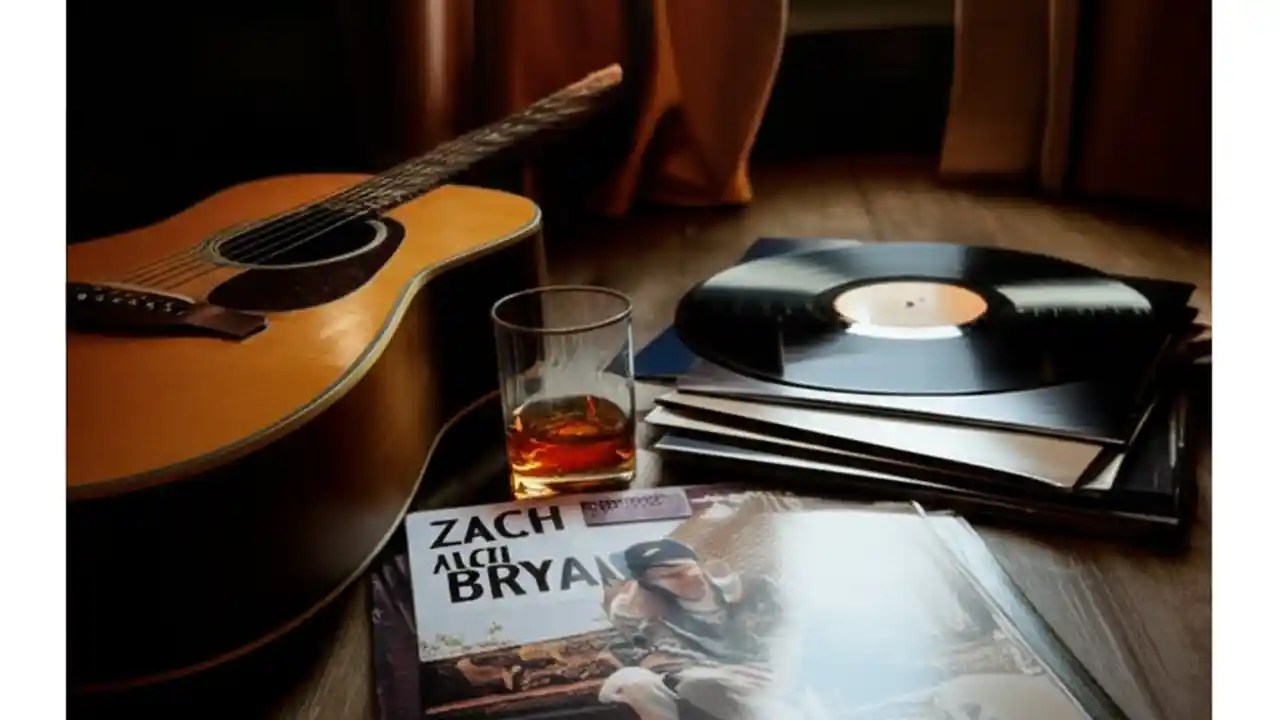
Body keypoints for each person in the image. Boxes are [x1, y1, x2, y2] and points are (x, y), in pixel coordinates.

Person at [597, 538, 788, 720]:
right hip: (700, 680)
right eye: (672, 576)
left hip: (765, 675)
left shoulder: (754, 590)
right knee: (638, 681)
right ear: (649, 585)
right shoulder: (638, 613)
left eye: (690, 570)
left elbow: (787, 632)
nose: (690, 579)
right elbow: (637, 655)